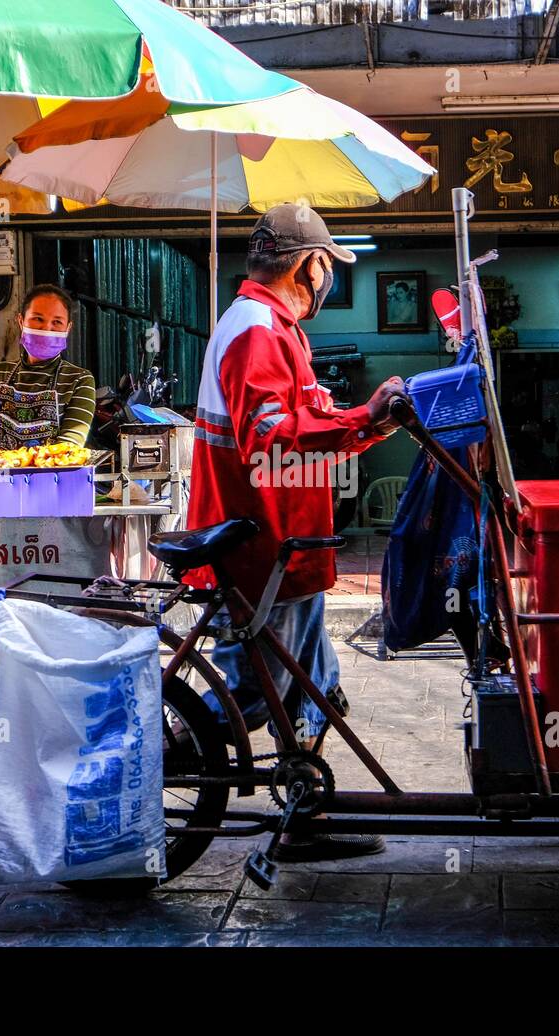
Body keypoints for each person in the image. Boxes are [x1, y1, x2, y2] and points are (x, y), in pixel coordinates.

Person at [187, 202, 405, 861]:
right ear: (309, 265)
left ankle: (302, 817)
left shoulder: (278, 327)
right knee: (254, 698)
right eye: (328, 266)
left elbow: (310, 420)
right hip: (262, 552)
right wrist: (365, 418)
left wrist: (371, 422)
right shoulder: (257, 329)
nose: (329, 279)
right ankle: (127, 767)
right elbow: (272, 440)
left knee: (317, 692)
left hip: (286, 548)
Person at [0, 284, 96, 449]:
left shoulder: (79, 380)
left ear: (68, 328)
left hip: (51, 474)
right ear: (21, 321)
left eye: (57, 322)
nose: (46, 328)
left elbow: (67, 450)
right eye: (38, 319)